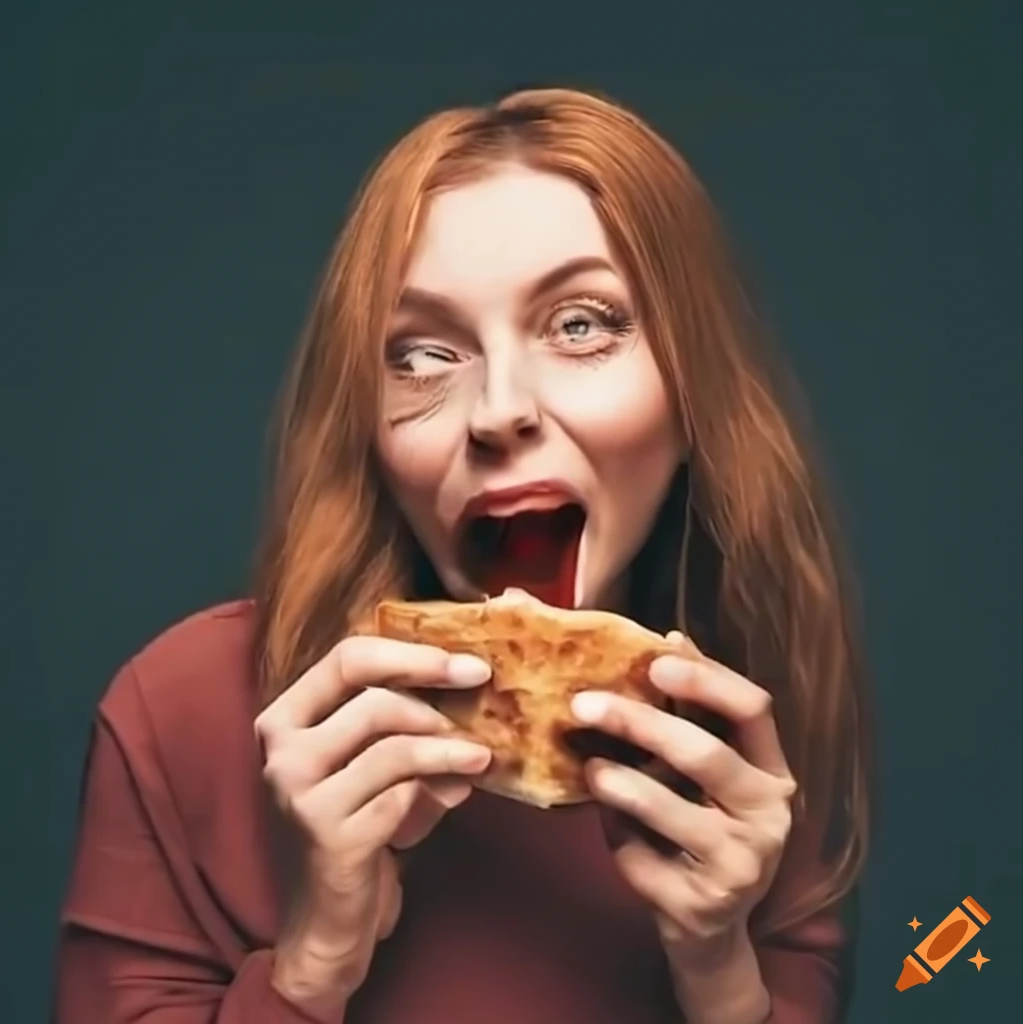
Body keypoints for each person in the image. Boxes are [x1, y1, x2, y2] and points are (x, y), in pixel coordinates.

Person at [54, 86, 872, 1023]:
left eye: (580, 325)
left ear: (692, 395)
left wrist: (722, 976)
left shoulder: (760, 736)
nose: (499, 411)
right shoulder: (184, 713)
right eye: (421, 355)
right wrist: (315, 963)